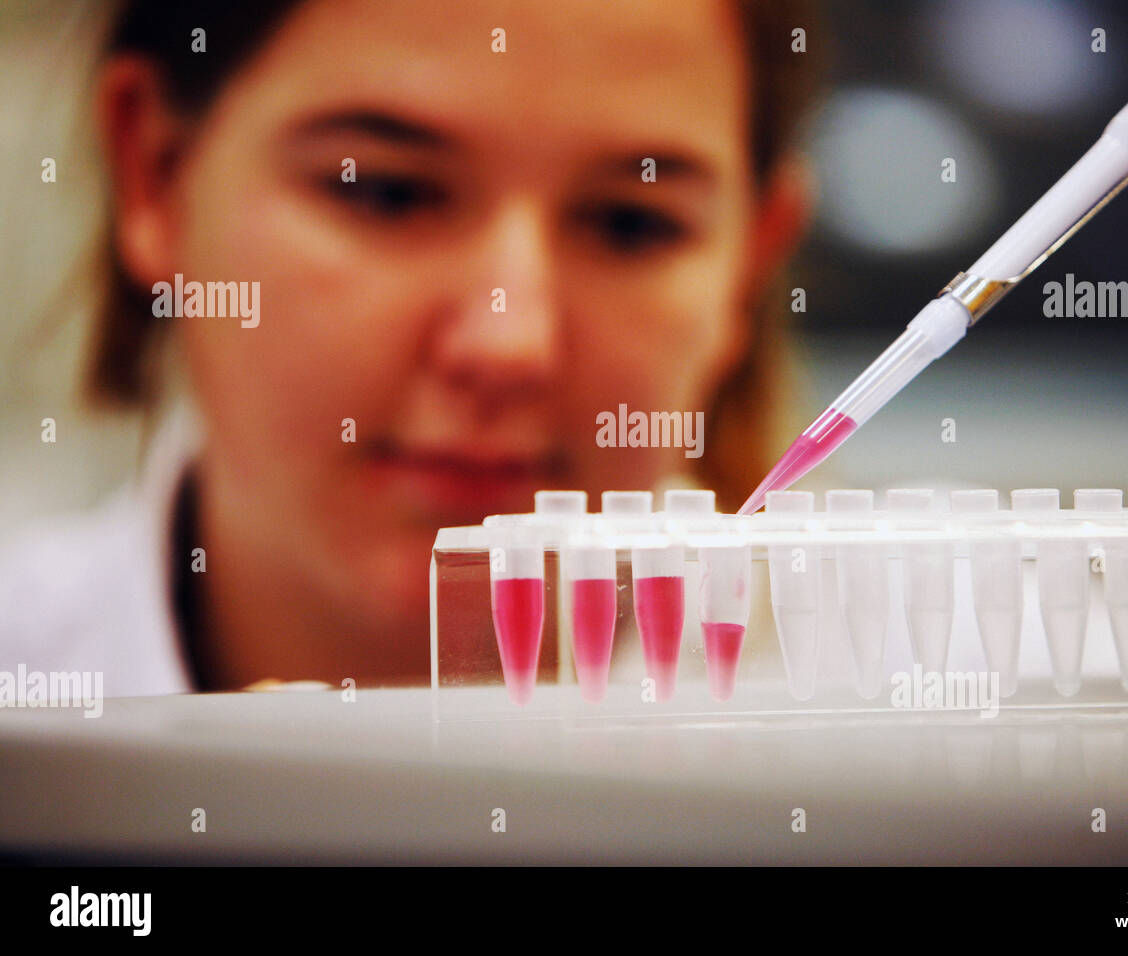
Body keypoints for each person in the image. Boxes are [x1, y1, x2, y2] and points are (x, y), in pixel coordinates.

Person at [0, 0, 821, 695]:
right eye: (386, 193)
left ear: (749, 264)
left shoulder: (901, 749)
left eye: (629, 223)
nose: (509, 343)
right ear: (155, 173)